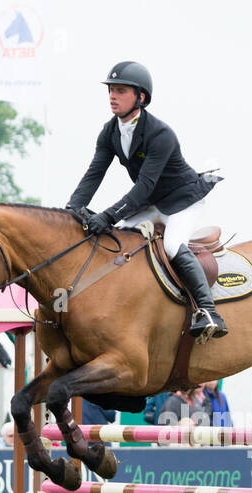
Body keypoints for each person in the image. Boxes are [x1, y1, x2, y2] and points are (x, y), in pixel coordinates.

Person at [66, 61, 226, 341]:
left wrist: (107, 215)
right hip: (151, 203)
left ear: (140, 97)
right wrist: (71, 209)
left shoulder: (160, 134)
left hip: (182, 200)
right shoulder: (110, 132)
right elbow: (94, 174)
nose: (113, 96)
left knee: (173, 246)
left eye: (121, 91)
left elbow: (144, 185)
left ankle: (208, 311)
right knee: (116, 240)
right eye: (111, 90)